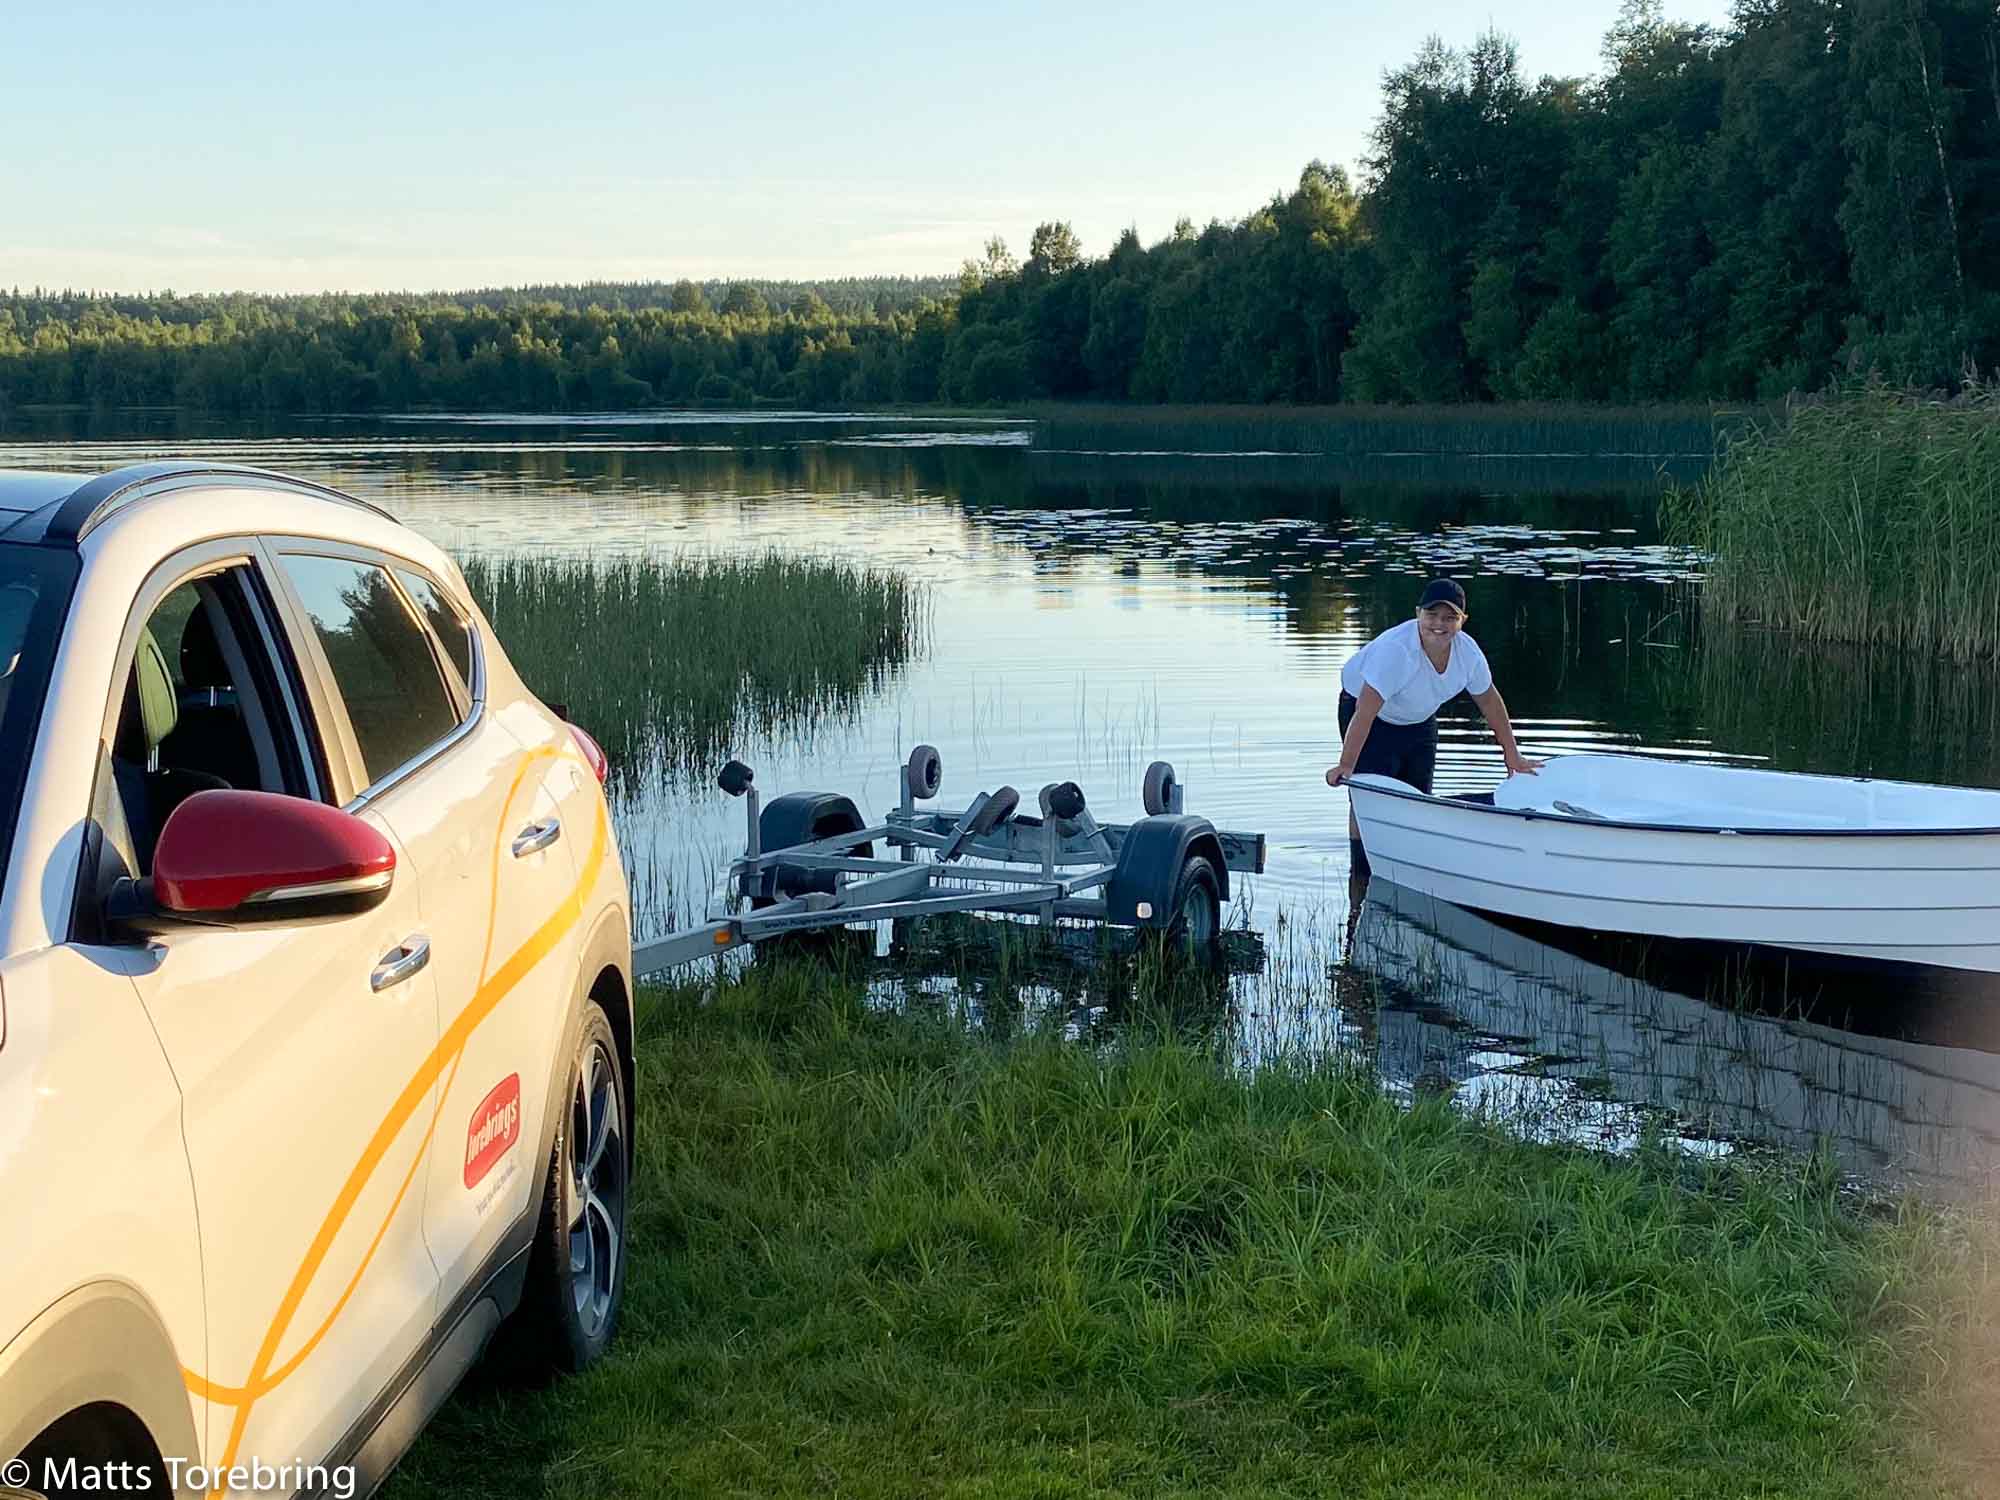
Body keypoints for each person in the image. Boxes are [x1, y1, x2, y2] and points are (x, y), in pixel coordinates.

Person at [1325, 578, 1543, 862]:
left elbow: (1489, 701)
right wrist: (1346, 764)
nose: (1439, 624)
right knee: (1370, 796)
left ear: (1462, 621)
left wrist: (1512, 754)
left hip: (1419, 717)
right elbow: (1365, 711)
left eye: (1450, 617)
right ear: (1418, 613)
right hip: (1368, 713)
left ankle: (1410, 862)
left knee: (1418, 799)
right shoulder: (1397, 652)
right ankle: (1361, 865)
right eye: (1432, 615)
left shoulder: (1469, 654)